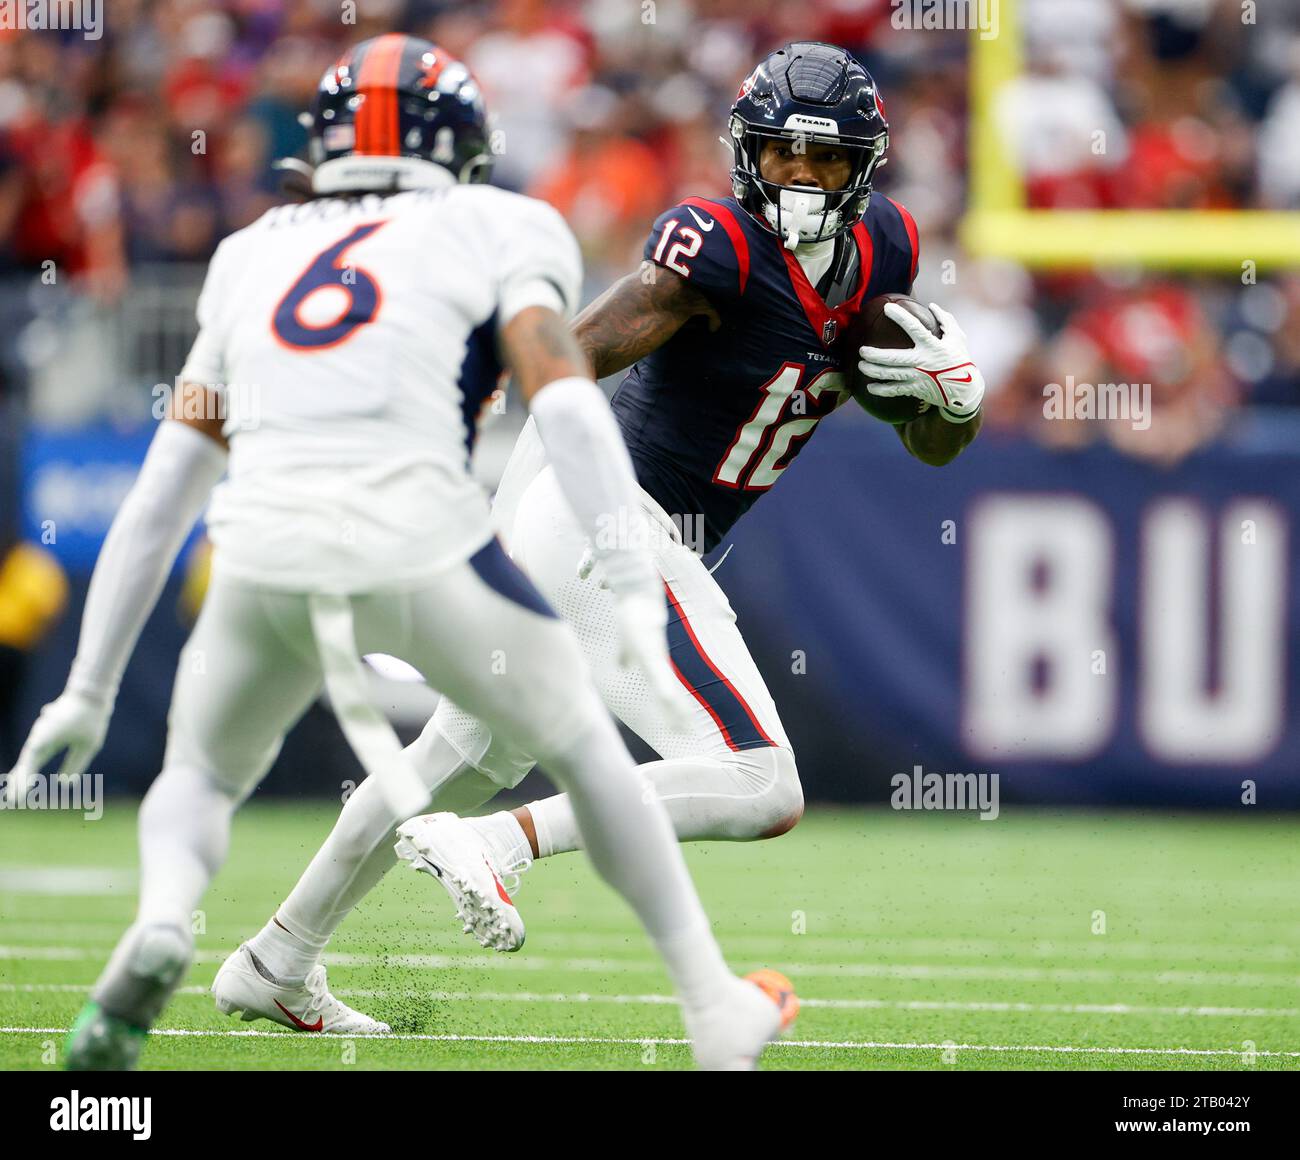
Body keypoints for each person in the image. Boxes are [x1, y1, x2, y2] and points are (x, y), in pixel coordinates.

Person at [7, 34, 791, 1072]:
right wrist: (631, 566)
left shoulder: (254, 250)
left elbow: (162, 489)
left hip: (256, 551)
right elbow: (566, 406)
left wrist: (90, 687)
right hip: (420, 546)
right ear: (461, 142)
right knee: (597, 756)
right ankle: (708, 1004)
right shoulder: (504, 222)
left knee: (203, 776)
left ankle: (197, 929)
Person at [216, 39, 985, 1032]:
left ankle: (278, 957)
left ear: (861, 166)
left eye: (823, 157)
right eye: (781, 154)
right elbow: (563, 356)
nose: (798, 175)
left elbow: (932, 446)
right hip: (607, 518)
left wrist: (952, 404)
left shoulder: (886, 248)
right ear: (748, 153)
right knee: (762, 781)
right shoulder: (713, 244)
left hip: (608, 523)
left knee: (460, 742)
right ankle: (501, 846)